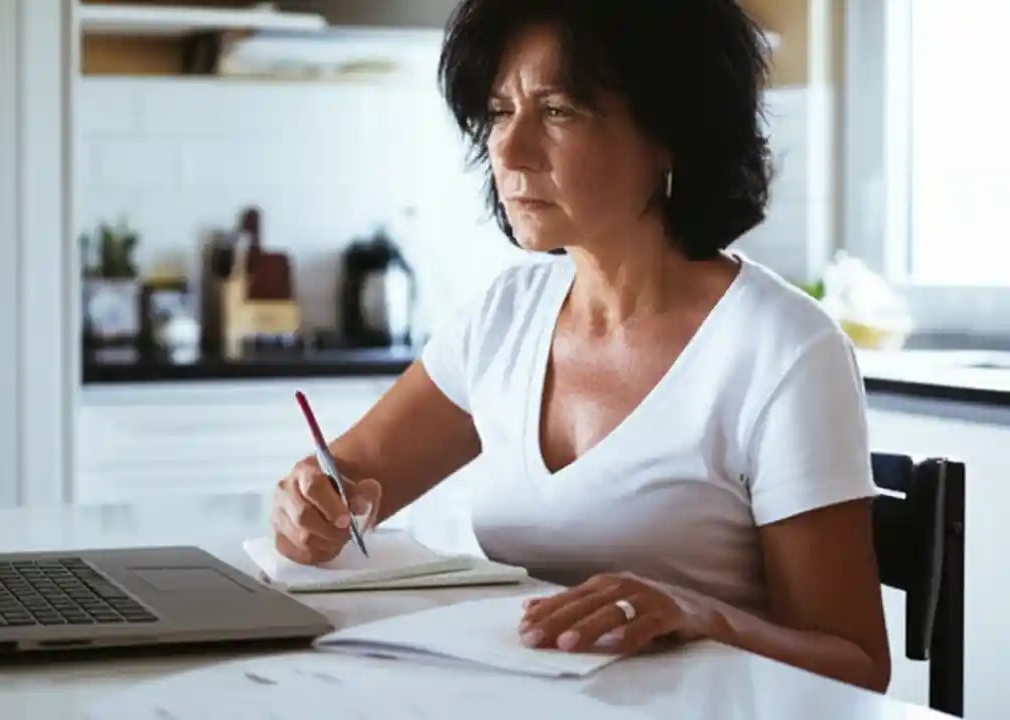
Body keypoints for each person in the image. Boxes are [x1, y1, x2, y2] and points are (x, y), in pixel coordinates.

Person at [270, 0, 891, 693]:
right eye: (501, 111)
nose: (507, 150)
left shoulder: (785, 352)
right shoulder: (506, 316)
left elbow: (857, 666)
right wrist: (309, 509)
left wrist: (699, 614)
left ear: (671, 133)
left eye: (558, 111)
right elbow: (344, 481)